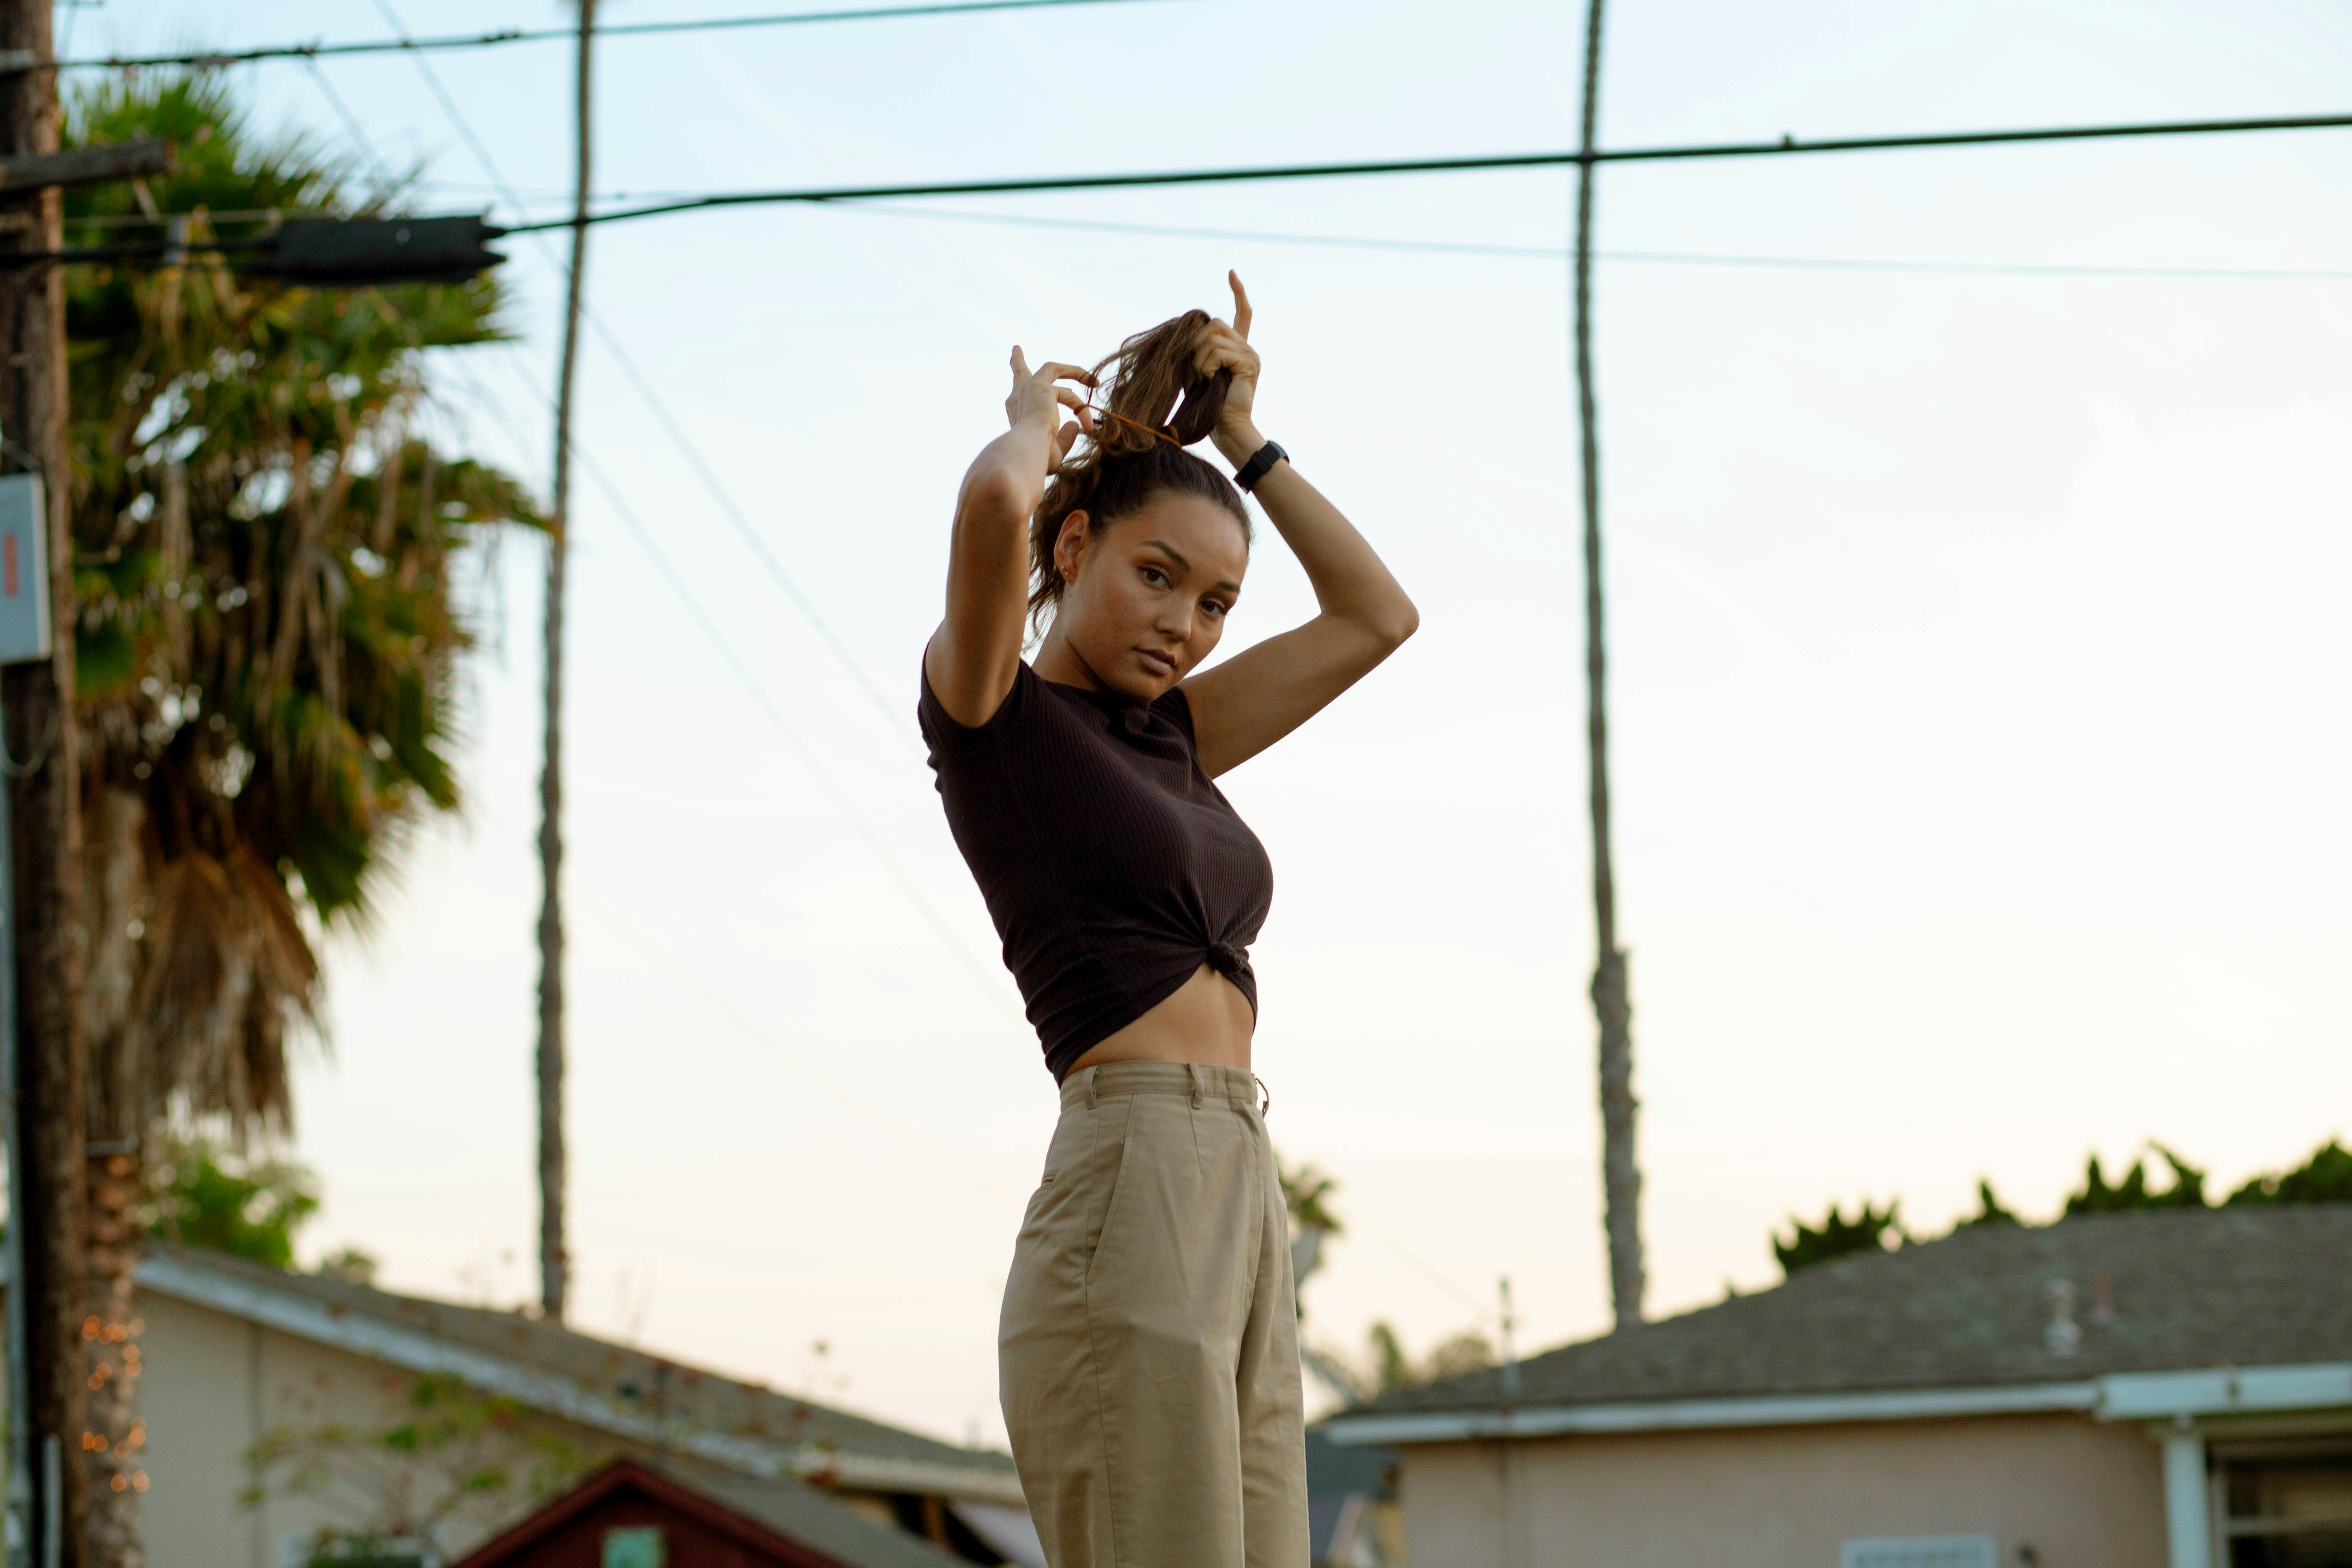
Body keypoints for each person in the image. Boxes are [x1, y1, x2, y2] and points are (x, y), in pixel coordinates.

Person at [919, 273, 1417, 1568]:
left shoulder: (1177, 741)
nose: (1184, 627)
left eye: (1212, 604)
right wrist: (1035, 422)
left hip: (1241, 1177)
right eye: (1156, 577)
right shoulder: (996, 721)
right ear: (1076, 546)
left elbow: (1378, 616)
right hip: (1131, 1172)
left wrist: (1247, 442)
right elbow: (990, 505)